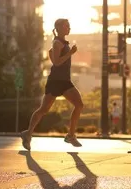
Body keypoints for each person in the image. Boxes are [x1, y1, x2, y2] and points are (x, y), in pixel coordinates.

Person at [20, 18, 84, 151]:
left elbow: (51, 54)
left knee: (79, 104)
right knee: (43, 110)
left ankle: (71, 135)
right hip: (55, 81)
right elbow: (56, 62)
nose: (69, 28)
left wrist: (66, 53)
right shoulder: (57, 43)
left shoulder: (60, 42)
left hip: (65, 81)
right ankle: (28, 133)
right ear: (59, 28)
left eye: (69, 26)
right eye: (66, 26)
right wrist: (70, 53)